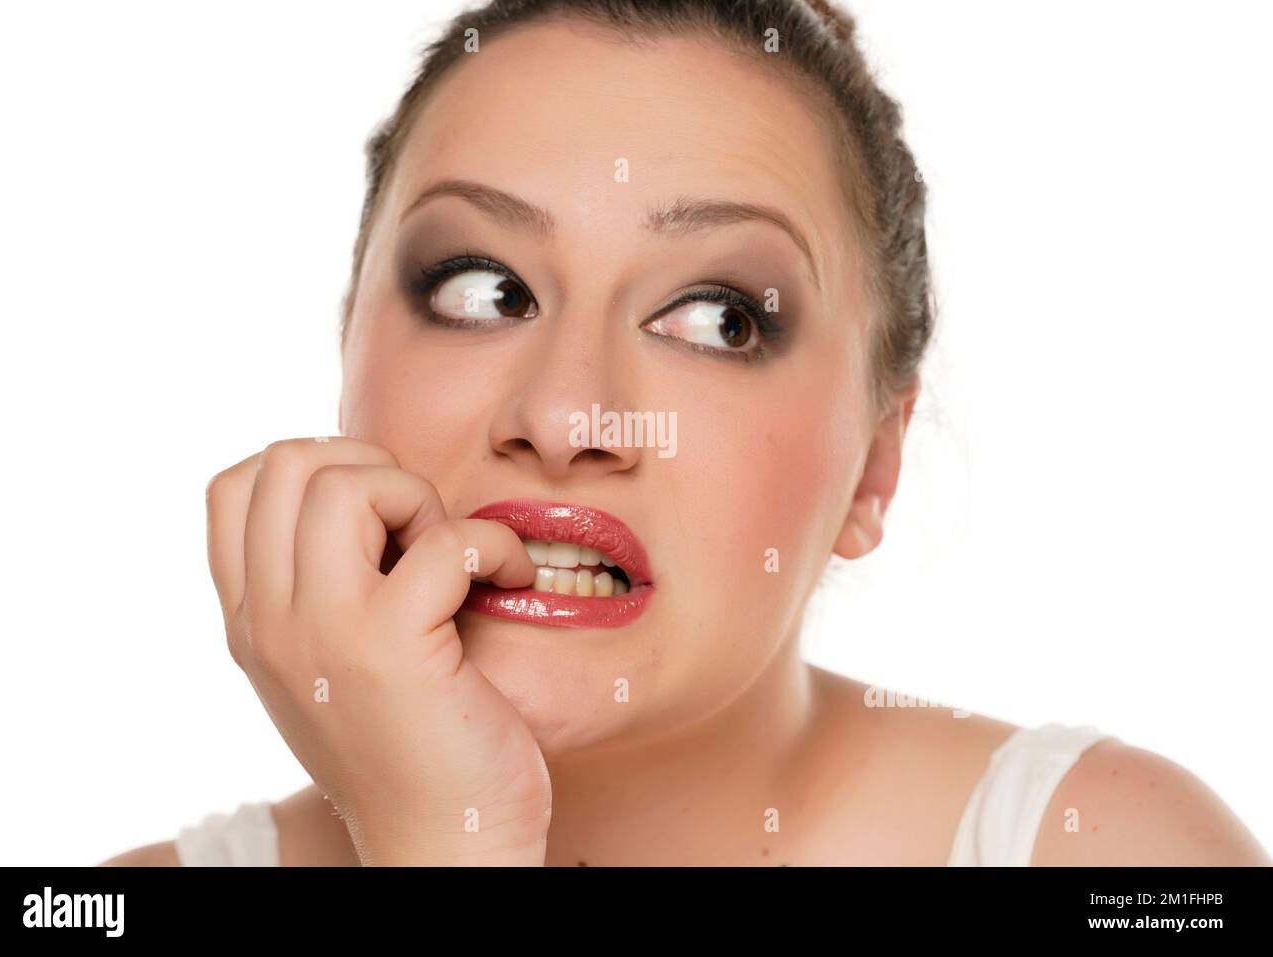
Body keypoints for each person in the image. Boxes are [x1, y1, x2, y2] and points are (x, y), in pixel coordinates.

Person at [102, 0, 1270, 867]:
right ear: (347, 354)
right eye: (481, 289)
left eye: (717, 318)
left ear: (875, 466)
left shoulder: (1114, 855)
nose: (564, 419)